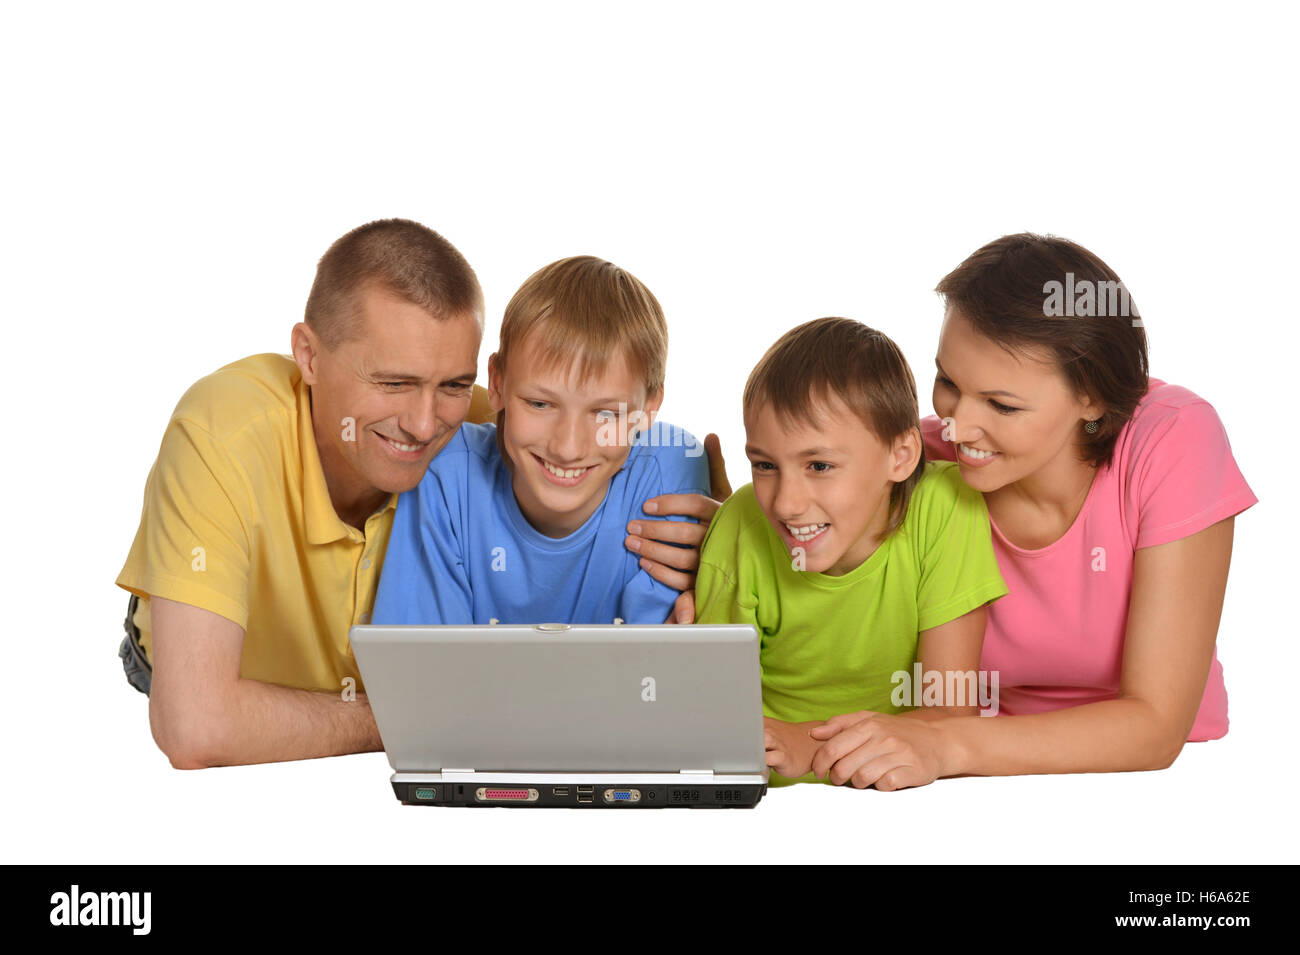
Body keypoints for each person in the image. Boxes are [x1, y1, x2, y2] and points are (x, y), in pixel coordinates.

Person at [117, 219, 726, 770]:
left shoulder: (497, 431)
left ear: (485, 382)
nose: (423, 423)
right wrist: (430, 718)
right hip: (250, 677)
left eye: (453, 385)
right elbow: (196, 726)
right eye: (393, 382)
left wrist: (737, 542)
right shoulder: (224, 433)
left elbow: (605, 413)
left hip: (405, 682)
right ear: (308, 355)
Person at [809, 234, 1257, 790]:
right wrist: (721, 533)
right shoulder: (915, 461)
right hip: (975, 774)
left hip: (1165, 786)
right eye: (948, 382)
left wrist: (943, 743)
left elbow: (1155, 726)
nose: (957, 426)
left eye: (1001, 405)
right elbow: (797, 525)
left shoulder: (1172, 439)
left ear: (1091, 397)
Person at [694, 318, 1008, 785]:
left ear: (900, 457)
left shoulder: (946, 510)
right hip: (768, 793)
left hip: (898, 785)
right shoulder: (741, 525)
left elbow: (948, 714)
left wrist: (809, 743)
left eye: (819, 465)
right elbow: (707, 723)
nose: (785, 503)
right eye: (764, 465)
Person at [372, 255, 709, 626]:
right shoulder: (446, 472)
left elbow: (655, 667)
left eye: (606, 414)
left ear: (649, 408)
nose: (567, 448)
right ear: (497, 384)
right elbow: (422, 673)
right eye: (539, 403)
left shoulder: (671, 468)